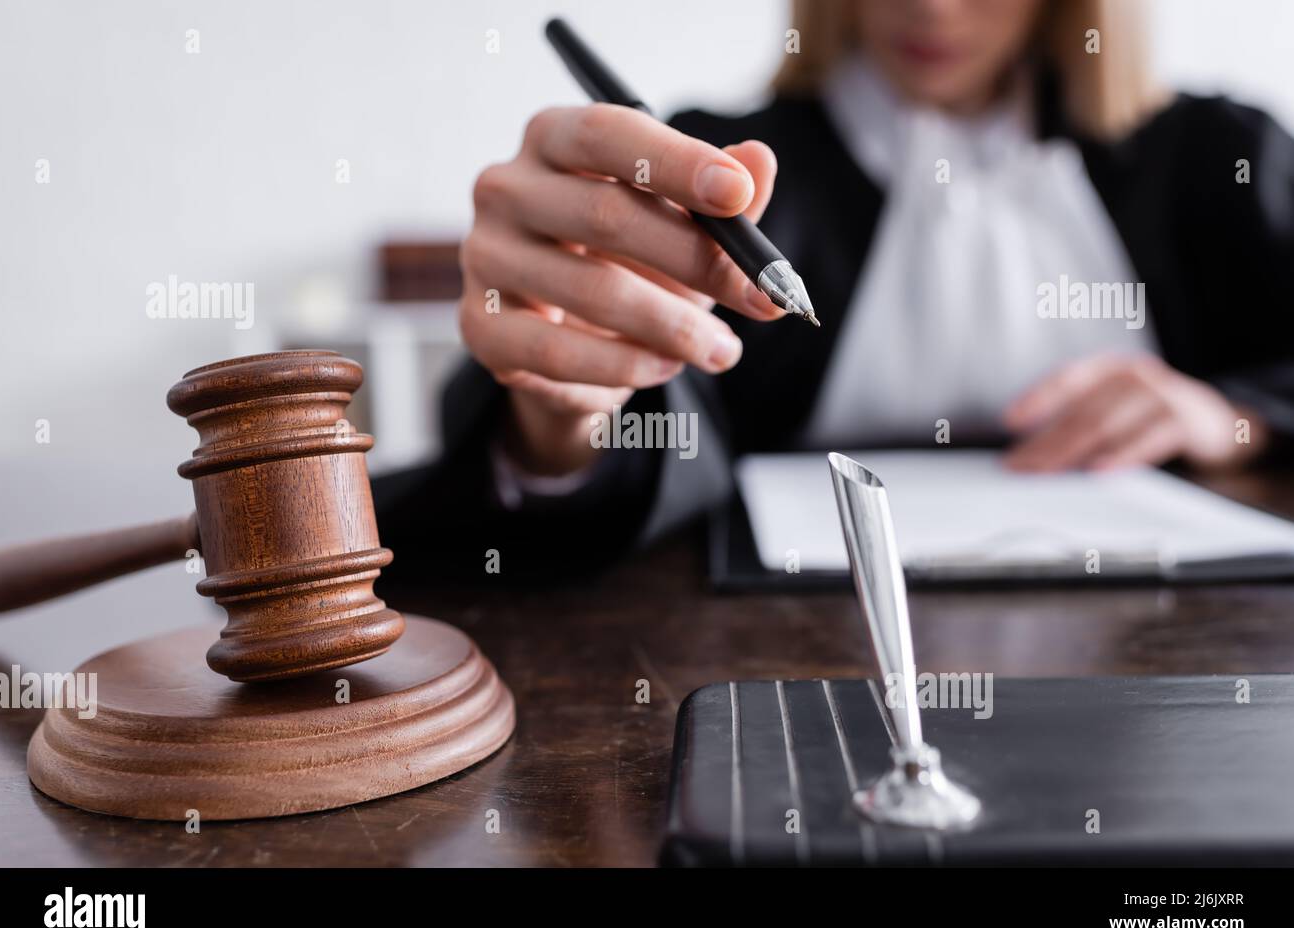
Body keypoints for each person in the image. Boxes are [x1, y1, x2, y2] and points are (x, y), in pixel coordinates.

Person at [373, 0, 1294, 582]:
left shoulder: (1221, 158)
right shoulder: (714, 168)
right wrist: (562, 413)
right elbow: (646, 427)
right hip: (772, 658)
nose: (932, 8)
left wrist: (1236, 417)